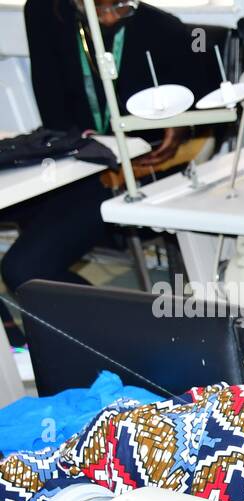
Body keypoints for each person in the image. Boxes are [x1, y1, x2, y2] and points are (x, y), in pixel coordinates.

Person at [4, 0, 218, 336]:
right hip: (74, 163)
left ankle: (129, 338)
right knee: (30, 264)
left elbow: (205, 114)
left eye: (119, 7)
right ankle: (25, 338)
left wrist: (181, 125)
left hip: (132, 171)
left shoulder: (164, 29)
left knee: (24, 267)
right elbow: (54, 110)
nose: (108, 16)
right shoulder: (45, 12)